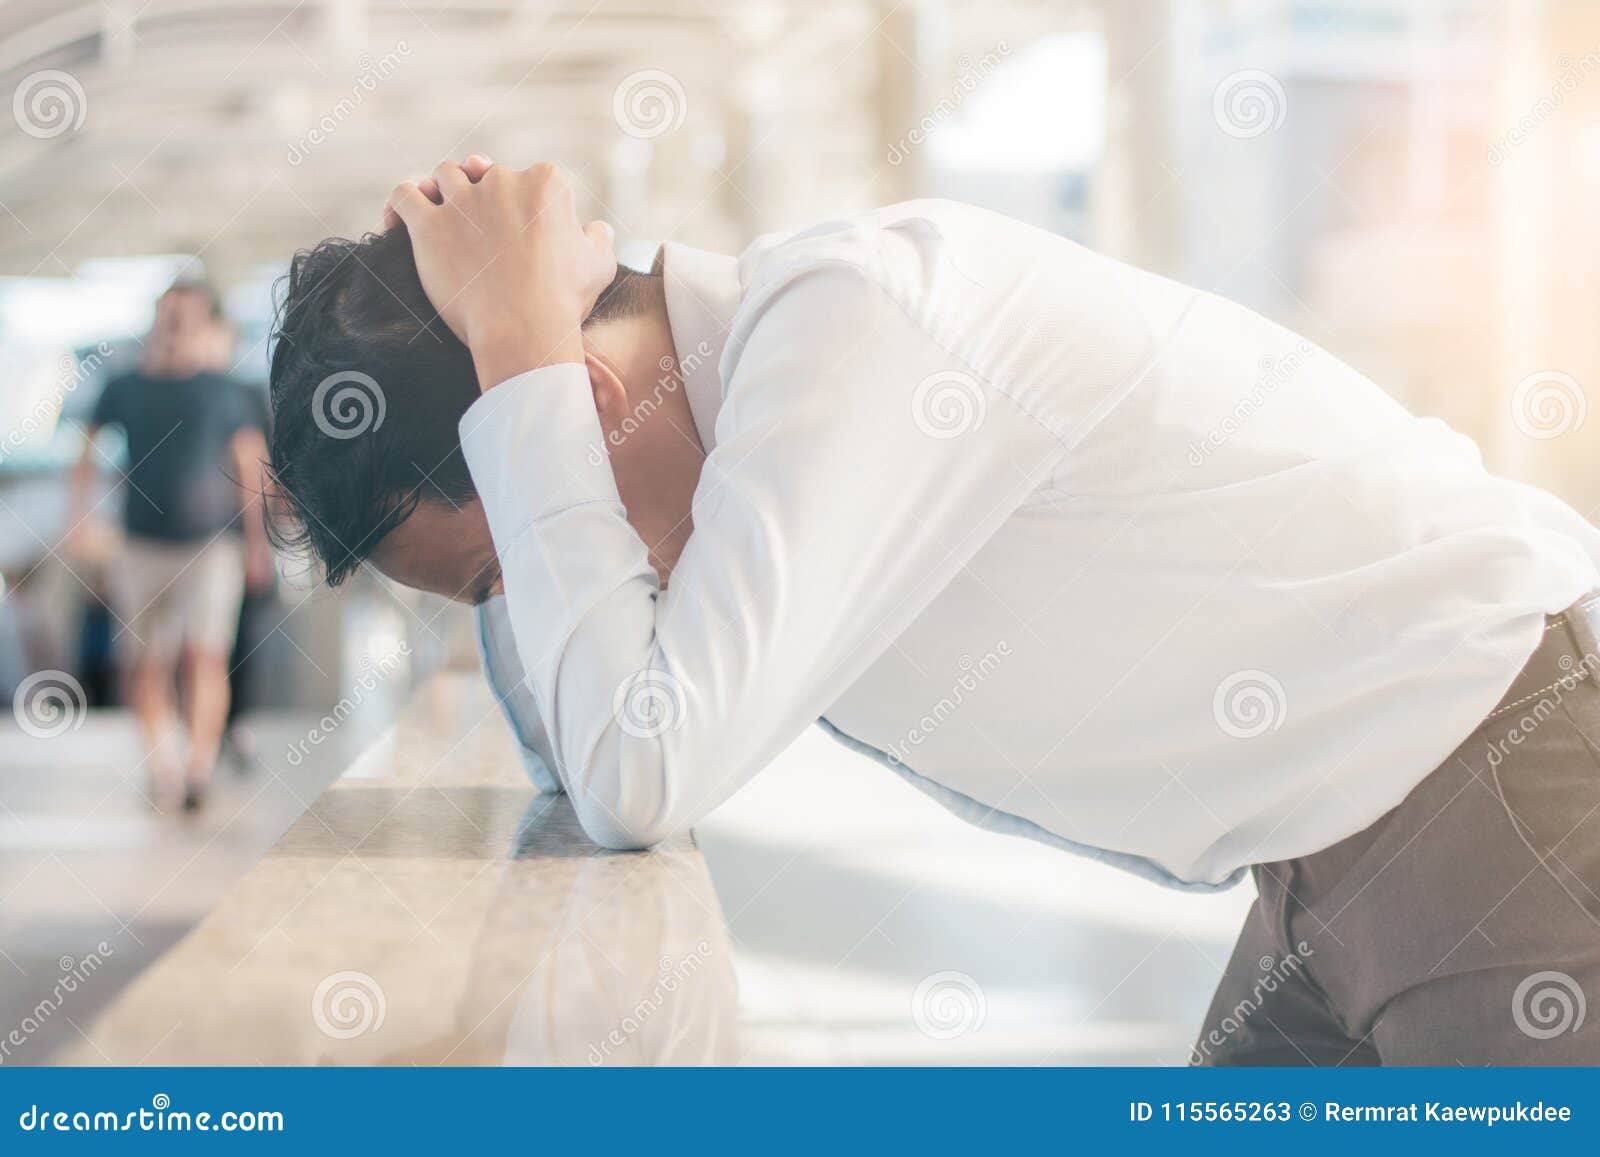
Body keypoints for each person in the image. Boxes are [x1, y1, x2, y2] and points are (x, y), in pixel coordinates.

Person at [266, 157, 1600, 1064]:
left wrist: (519, 363)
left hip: (1500, 773)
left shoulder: (846, 327)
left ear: (583, 410)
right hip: (1336, 844)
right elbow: (576, 742)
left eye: (506, 563)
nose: (529, 600)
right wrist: (517, 365)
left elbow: (635, 769)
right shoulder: (746, 429)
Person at [69, 280, 273, 811]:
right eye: (169, 313)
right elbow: (85, 452)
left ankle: (197, 770)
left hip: (211, 546)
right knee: (145, 662)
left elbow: (250, 466)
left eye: (187, 315)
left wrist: (257, 543)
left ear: (205, 323)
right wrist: (81, 520)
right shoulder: (123, 386)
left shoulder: (225, 390)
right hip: (139, 545)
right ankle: (162, 767)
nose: (176, 324)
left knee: (206, 655)